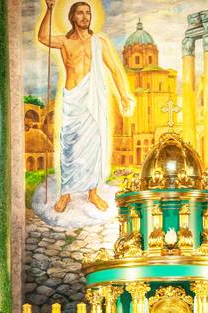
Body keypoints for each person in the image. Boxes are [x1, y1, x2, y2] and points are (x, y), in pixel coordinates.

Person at [37, 1, 133, 214]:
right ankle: (65, 194)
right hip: (73, 99)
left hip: (93, 99)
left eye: (87, 13)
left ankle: (92, 193)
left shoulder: (99, 42)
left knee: (93, 147)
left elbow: (115, 70)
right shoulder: (64, 42)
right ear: (72, 17)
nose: (84, 16)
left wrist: (123, 95)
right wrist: (50, 10)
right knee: (69, 147)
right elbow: (42, 38)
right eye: (80, 13)